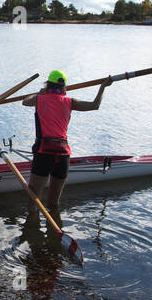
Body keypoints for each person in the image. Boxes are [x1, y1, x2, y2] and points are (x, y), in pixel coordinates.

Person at [21, 69, 109, 213]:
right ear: (63, 87)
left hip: (44, 152)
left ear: (48, 84)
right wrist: (103, 87)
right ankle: (55, 231)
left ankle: (32, 228)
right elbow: (95, 106)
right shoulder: (70, 102)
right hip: (63, 155)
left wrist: (39, 93)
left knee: (33, 202)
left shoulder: (39, 99)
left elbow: (24, 101)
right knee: (54, 203)